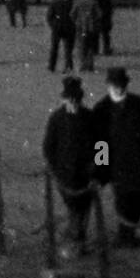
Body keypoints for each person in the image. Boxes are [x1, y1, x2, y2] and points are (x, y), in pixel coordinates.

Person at [93, 67, 140, 246]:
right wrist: (101, 171)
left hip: (139, 160)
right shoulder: (101, 109)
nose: (118, 88)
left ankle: (128, 231)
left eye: (121, 85)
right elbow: (100, 143)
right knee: (123, 200)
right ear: (109, 86)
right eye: (115, 85)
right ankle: (125, 235)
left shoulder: (138, 103)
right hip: (117, 165)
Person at [43, 76, 100, 256]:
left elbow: (102, 145)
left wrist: (99, 168)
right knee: (74, 208)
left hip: (87, 174)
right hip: (65, 175)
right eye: (70, 99)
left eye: (76, 99)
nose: (73, 103)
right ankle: (76, 240)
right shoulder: (57, 119)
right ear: (64, 99)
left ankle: (77, 240)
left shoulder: (90, 118)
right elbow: (48, 147)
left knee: (83, 209)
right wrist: (54, 169)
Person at [72, 0, 101, 73]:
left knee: (81, 47)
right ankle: (90, 66)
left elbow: (72, 14)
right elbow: (99, 14)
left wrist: (76, 22)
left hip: (80, 28)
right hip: (91, 28)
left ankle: (82, 65)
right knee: (90, 48)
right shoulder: (93, 3)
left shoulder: (77, 2)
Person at [46, 0, 75, 73]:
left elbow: (49, 16)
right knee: (68, 49)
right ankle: (68, 66)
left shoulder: (54, 3)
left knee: (54, 48)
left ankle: (52, 66)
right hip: (68, 27)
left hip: (57, 27)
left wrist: (53, 25)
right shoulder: (71, 3)